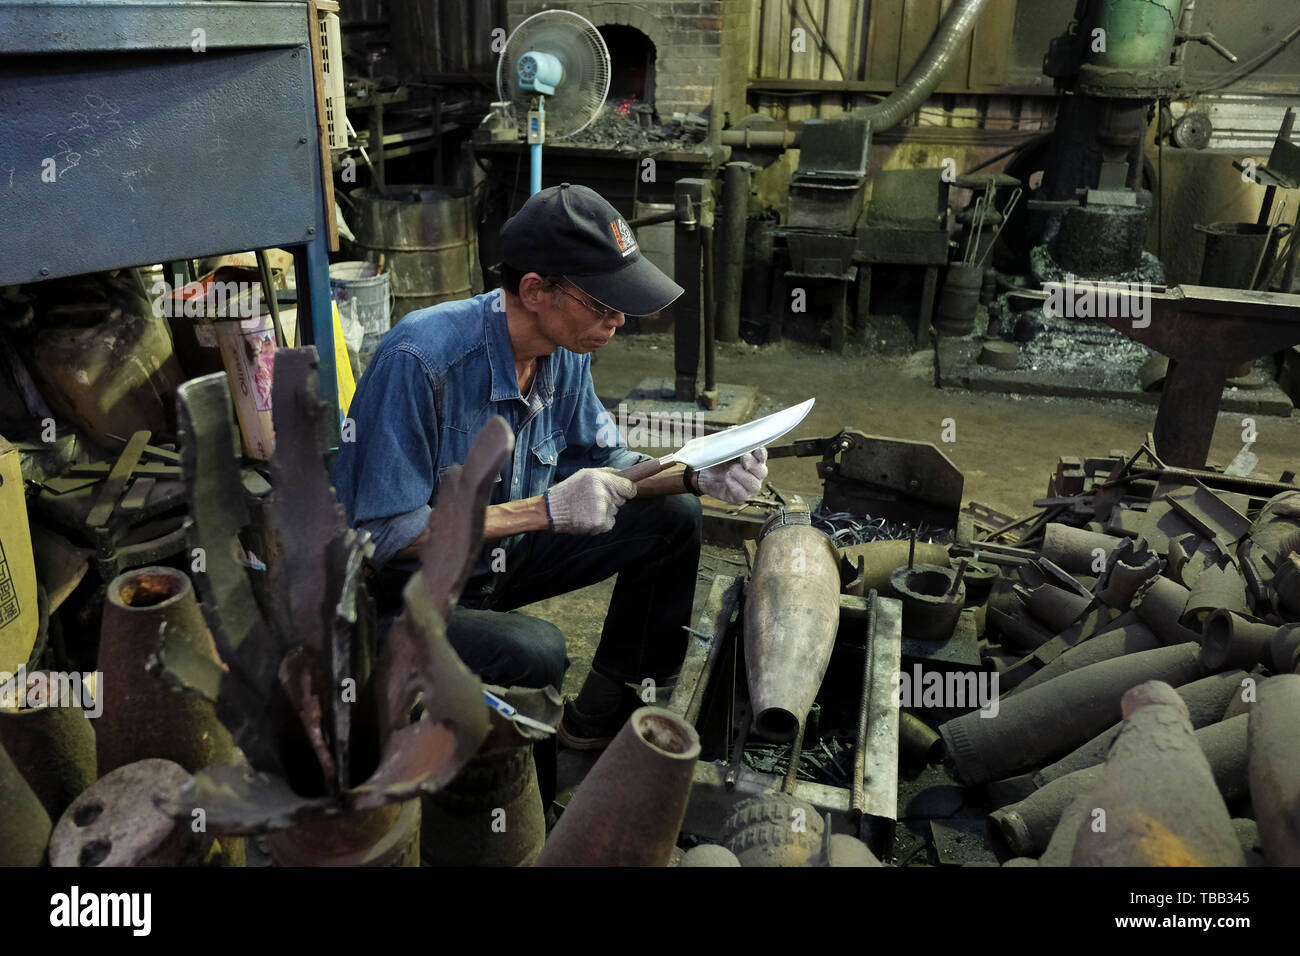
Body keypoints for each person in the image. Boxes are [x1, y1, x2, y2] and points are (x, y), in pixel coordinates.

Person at [333, 183, 767, 802]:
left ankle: (604, 719)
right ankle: (534, 820)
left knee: (673, 515)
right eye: (603, 304)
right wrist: (546, 508)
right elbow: (386, 534)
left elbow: (607, 460)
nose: (618, 321)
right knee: (536, 653)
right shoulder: (420, 358)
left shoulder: (563, 352)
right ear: (535, 289)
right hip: (399, 593)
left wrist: (698, 473)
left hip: (498, 559)